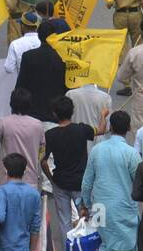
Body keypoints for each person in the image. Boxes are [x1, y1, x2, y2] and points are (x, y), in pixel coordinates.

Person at [79, 111, 142, 251]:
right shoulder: (131, 154)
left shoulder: (97, 150)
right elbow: (139, 183)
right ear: (129, 128)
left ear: (110, 127)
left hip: (100, 208)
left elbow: (86, 183)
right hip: (123, 209)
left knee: (105, 245)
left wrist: (85, 204)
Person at [42, 96, 103, 236]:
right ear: (72, 111)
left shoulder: (50, 135)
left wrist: (51, 180)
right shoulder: (81, 129)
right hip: (80, 183)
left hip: (60, 182)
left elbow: (43, 161)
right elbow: (101, 130)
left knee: (64, 223)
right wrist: (103, 115)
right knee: (86, 218)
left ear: (54, 114)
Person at [0, 154, 42, 251]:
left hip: (3, 249)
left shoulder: (2, 191)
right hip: (22, 250)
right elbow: (35, 224)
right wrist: (32, 250)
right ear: (25, 171)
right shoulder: (34, 194)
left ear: (6, 171)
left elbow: (0, 217)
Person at [0, 87, 46, 189]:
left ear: (11, 104)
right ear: (29, 104)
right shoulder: (38, 124)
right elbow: (42, 151)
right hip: (30, 179)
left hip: (5, 179)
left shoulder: (2, 123)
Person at [15, 21, 68, 122]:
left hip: (33, 112)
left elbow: (21, 85)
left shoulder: (28, 56)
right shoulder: (63, 57)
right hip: (56, 112)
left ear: (39, 36)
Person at [3, 10, 42, 78]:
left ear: (23, 26)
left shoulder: (15, 44)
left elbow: (9, 68)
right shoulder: (43, 41)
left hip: (24, 84)